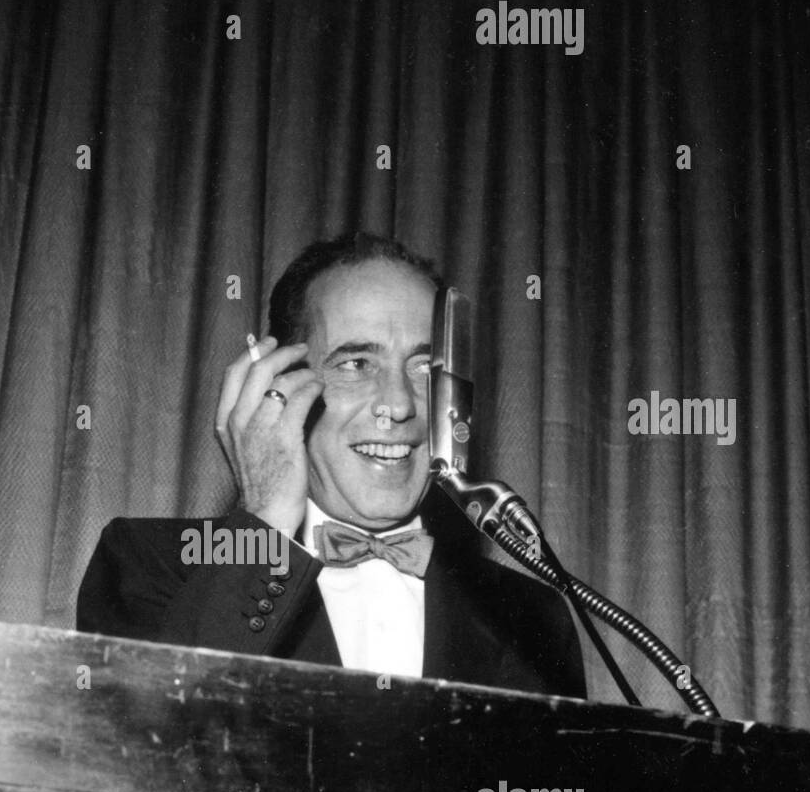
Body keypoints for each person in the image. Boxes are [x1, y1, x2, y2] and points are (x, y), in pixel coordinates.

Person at [78, 232, 585, 696]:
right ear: (280, 384)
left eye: (424, 367)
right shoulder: (149, 562)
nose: (401, 404)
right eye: (356, 364)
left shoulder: (531, 618)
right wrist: (265, 520)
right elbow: (143, 743)